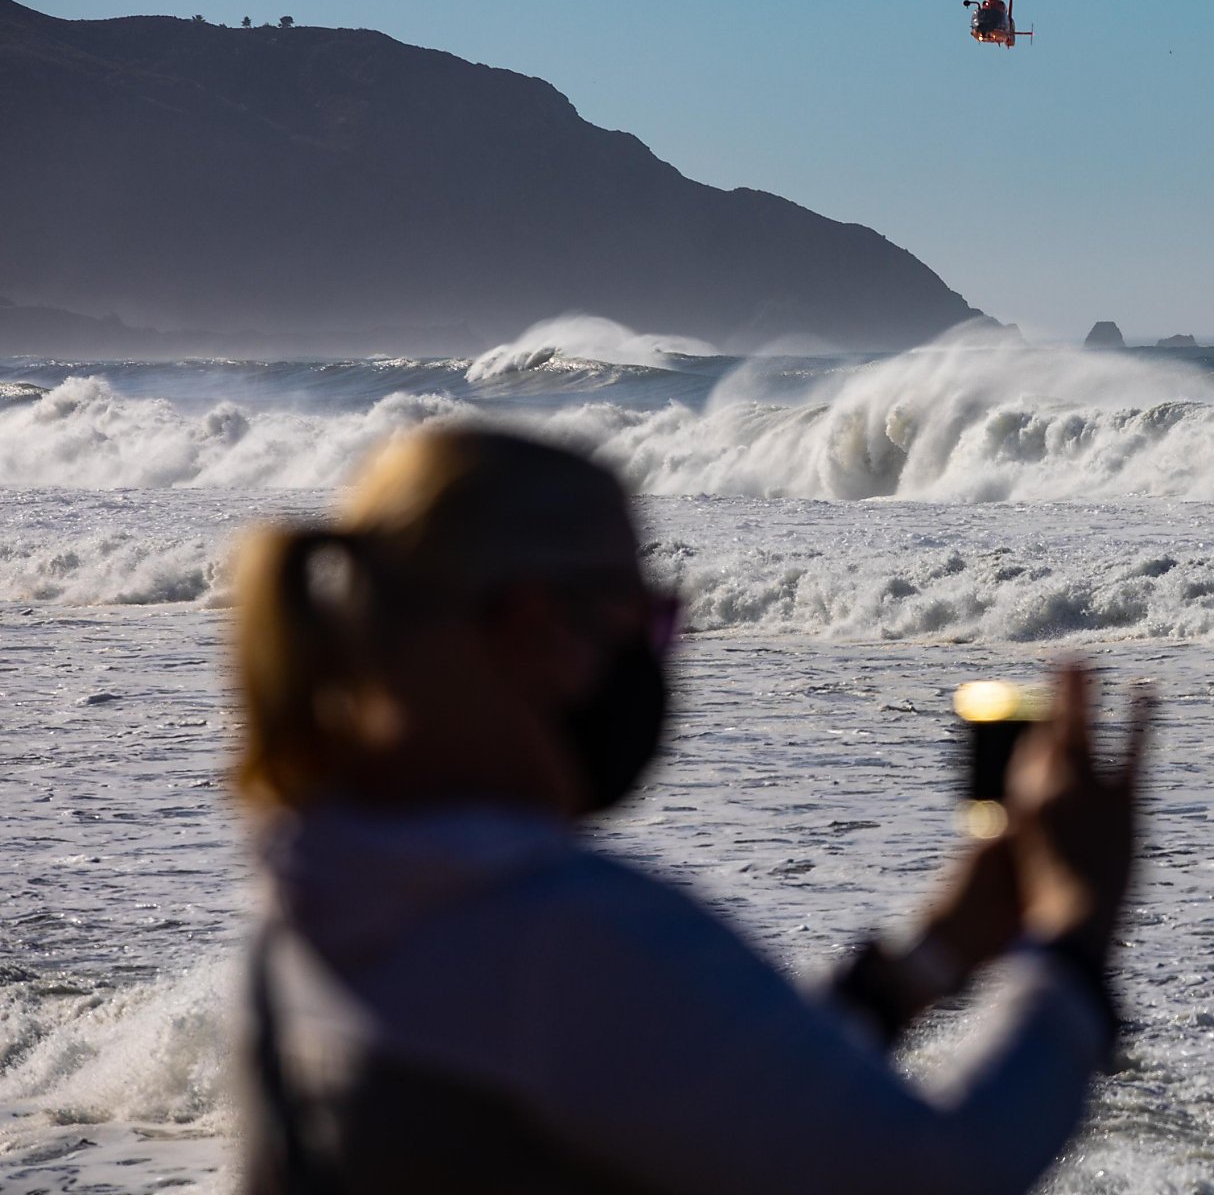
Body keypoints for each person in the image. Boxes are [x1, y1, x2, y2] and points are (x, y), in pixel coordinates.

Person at [230, 427, 1151, 1194]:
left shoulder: (314, 894)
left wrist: (938, 952)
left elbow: (709, 1099)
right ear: (533, 625)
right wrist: (1073, 940)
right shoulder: (560, 932)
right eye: (646, 617)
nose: (661, 656)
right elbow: (935, 1171)